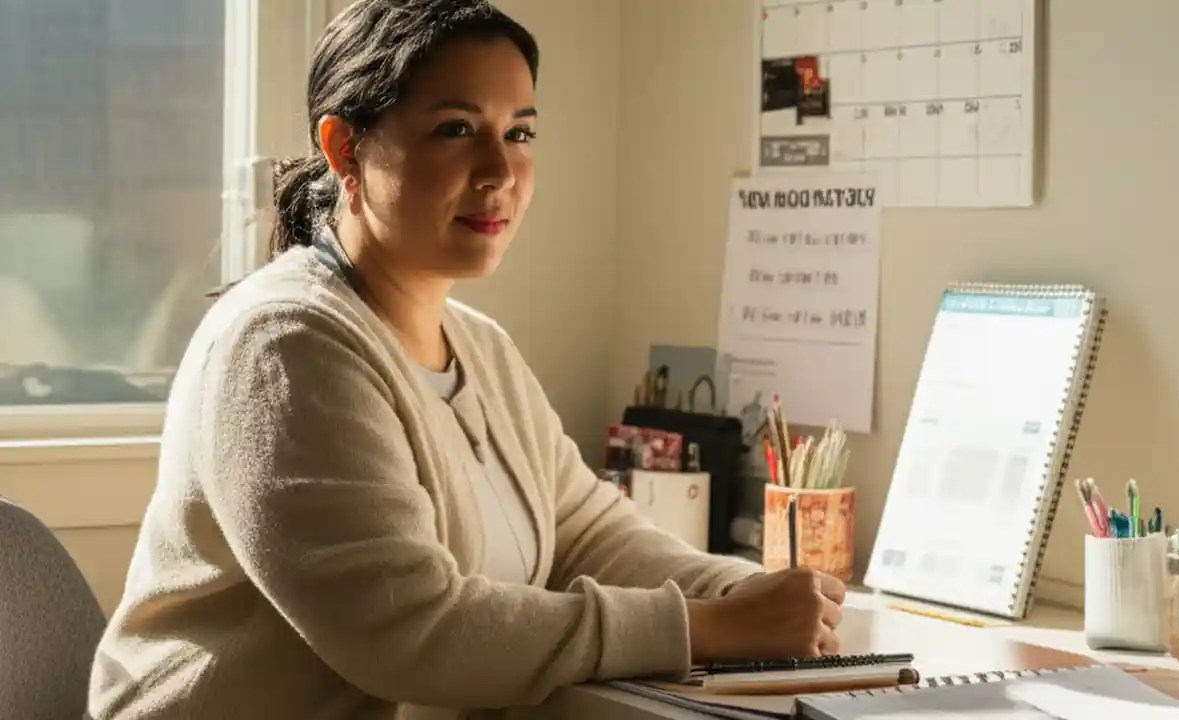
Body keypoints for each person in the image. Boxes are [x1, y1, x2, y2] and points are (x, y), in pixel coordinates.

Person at [88, 1, 845, 718]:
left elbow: (587, 535)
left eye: (520, 133)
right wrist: (708, 627)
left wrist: (760, 593)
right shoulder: (283, 347)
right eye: (456, 129)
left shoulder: (481, 346)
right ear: (343, 147)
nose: (499, 172)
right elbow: (413, 632)